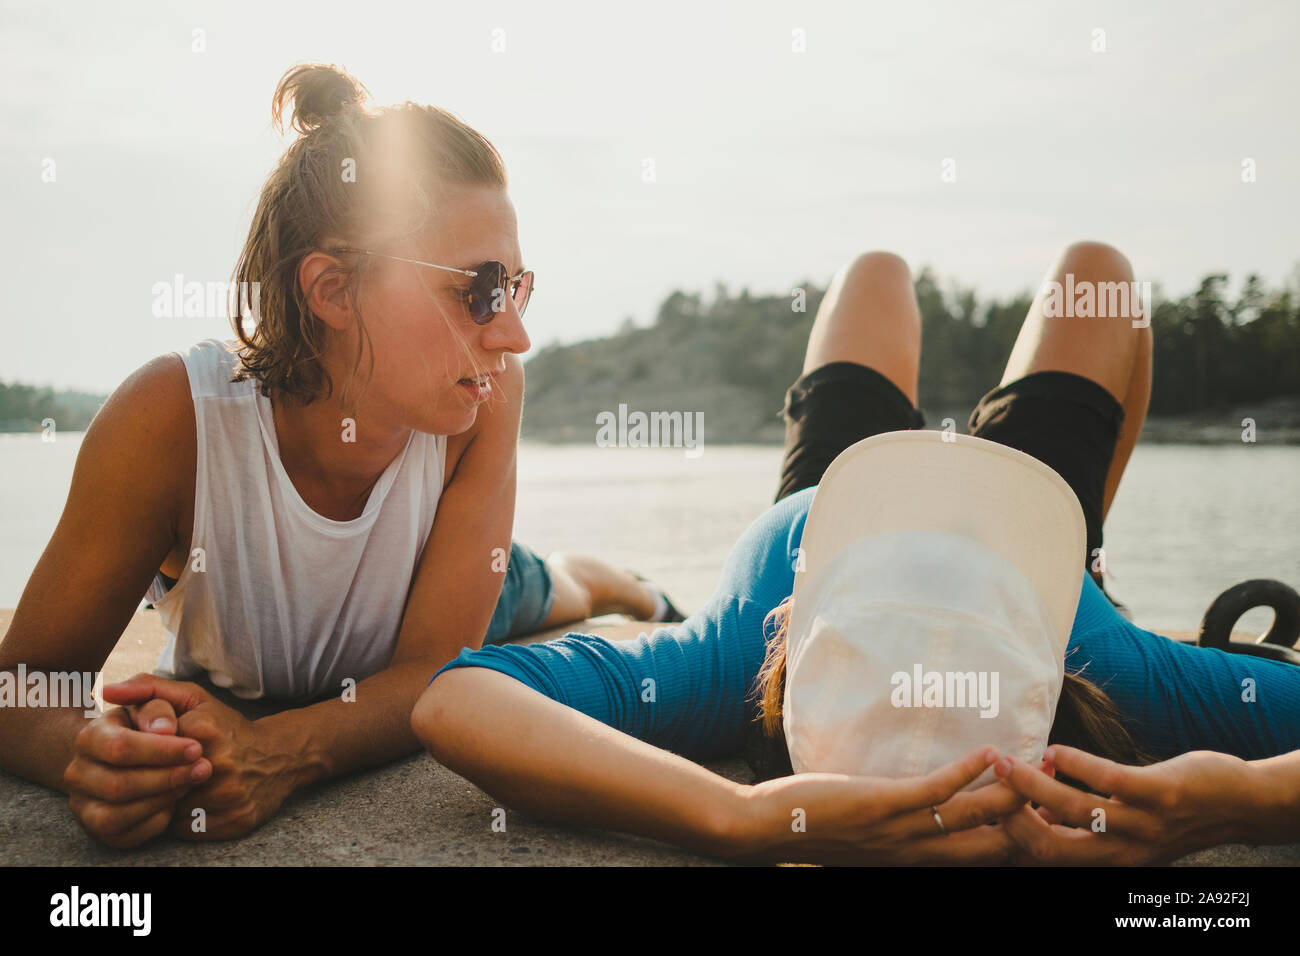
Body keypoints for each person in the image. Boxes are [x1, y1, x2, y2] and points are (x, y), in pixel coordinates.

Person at [413, 244, 1300, 864]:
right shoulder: (1100, 652)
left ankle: (1069, 541)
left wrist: (741, 818)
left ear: (792, 636)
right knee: (1099, 276)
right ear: (1050, 680)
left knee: (873, 273)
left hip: (836, 497)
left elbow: (458, 698)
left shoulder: (734, 654)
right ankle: (1087, 552)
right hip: (1031, 527)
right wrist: (1240, 800)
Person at [0, 62, 679, 849]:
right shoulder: (172, 421)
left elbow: (435, 668)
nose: (514, 334)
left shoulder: (483, 402)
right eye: (479, 289)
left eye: (517, 286)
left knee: (549, 589)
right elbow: (22, 685)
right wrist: (93, 752)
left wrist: (280, 753)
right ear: (332, 291)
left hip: (462, 586)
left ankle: (608, 577)